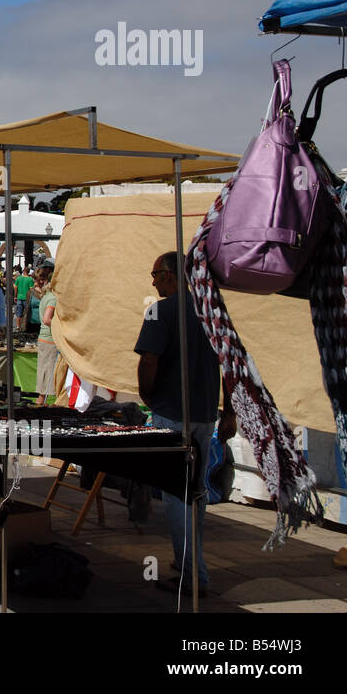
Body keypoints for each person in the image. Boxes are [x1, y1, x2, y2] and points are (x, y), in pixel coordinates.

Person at [135, 251, 234, 598]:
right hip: (205, 413)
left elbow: (149, 360)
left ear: (171, 276)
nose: (153, 281)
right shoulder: (211, 310)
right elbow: (230, 365)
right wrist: (230, 411)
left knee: (178, 494)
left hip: (173, 412)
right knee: (195, 493)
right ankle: (189, 565)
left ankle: (194, 575)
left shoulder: (161, 311)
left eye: (155, 274)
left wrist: (148, 396)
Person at [34, 264, 57, 406]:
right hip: (50, 339)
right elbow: (47, 319)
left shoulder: (46, 296)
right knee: (48, 374)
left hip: (44, 338)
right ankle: (43, 403)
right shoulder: (53, 298)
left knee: (43, 373)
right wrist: (61, 326)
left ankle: (41, 402)